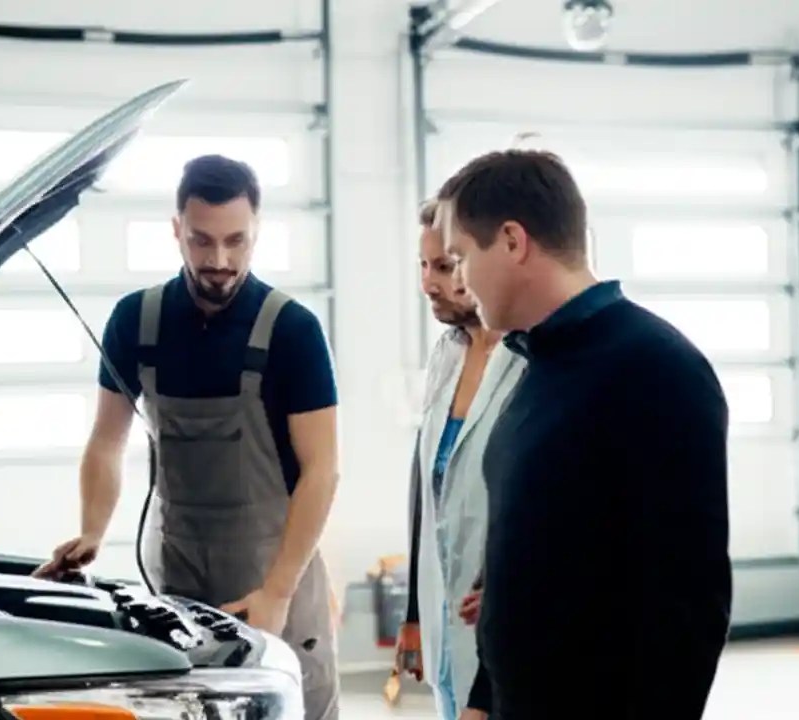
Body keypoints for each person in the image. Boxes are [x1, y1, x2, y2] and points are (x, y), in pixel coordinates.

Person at [36, 154, 342, 720]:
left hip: (273, 578)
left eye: (235, 241)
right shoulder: (136, 321)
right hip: (176, 579)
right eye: (201, 240)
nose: (219, 260)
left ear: (256, 231)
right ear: (177, 228)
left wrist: (278, 591)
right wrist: (92, 532)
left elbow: (322, 470)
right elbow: (106, 440)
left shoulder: (292, 331)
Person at [436, 149, 732, 719]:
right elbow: (518, 554)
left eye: (461, 257)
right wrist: (483, 699)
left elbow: (687, 605)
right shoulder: (534, 364)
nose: (461, 281)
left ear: (512, 241)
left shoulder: (656, 369)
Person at [395, 200, 525, 720]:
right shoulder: (446, 353)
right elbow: (426, 487)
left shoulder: (527, 360)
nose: (429, 283)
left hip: (501, 616)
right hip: (441, 618)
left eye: (446, 267)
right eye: (423, 266)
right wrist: (412, 614)